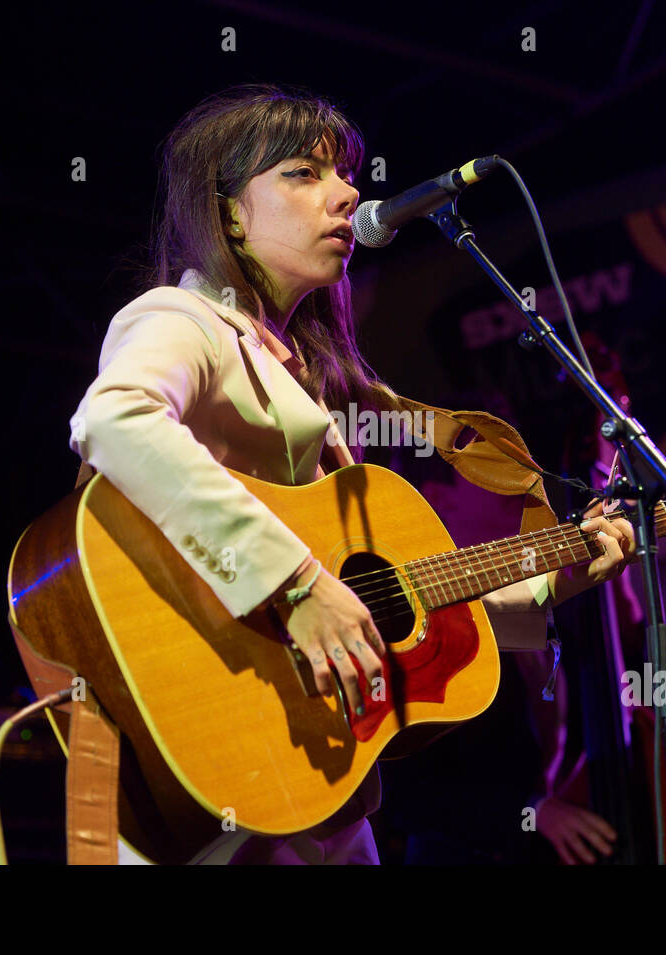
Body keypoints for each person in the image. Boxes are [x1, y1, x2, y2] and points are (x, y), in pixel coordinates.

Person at [68, 82, 636, 864]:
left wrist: (555, 575)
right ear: (228, 213)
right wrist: (298, 583)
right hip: (214, 769)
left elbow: (387, 601)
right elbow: (114, 420)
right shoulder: (180, 319)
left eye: (345, 174)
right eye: (304, 174)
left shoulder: (306, 379)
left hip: (320, 783)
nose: (346, 195)